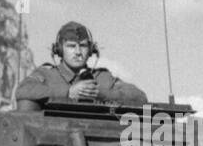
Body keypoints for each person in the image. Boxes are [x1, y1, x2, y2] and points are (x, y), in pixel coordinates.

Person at [15, 21, 147, 110]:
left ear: (90, 50)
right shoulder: (47, 74)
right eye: (71, 46)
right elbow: (23, 90)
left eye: (83, 46)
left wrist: (100, 94)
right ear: (59, 50)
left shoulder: (102, 77)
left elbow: (139, 97)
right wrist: (68, 92)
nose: (78, 52)